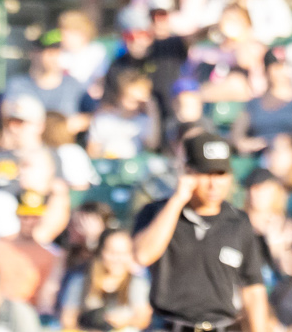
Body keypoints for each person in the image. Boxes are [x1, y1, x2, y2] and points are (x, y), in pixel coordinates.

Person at [132, 131, 270, 332]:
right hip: (168, 325)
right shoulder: (157, 212)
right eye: (205, 173)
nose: (213, 183)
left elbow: (253, 288)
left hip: (221, 326)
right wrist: (177, 200)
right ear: (187, 172)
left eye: (221, 174)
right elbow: (143, 255)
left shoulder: (238, 222)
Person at [58, 227, 150, 331]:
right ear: (101, 252)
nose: (118, 259)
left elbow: (143, 319)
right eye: (112, 253)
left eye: (124, 253)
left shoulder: (136, 282)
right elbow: (68, 319)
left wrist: (126, 321)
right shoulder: (81, 280)